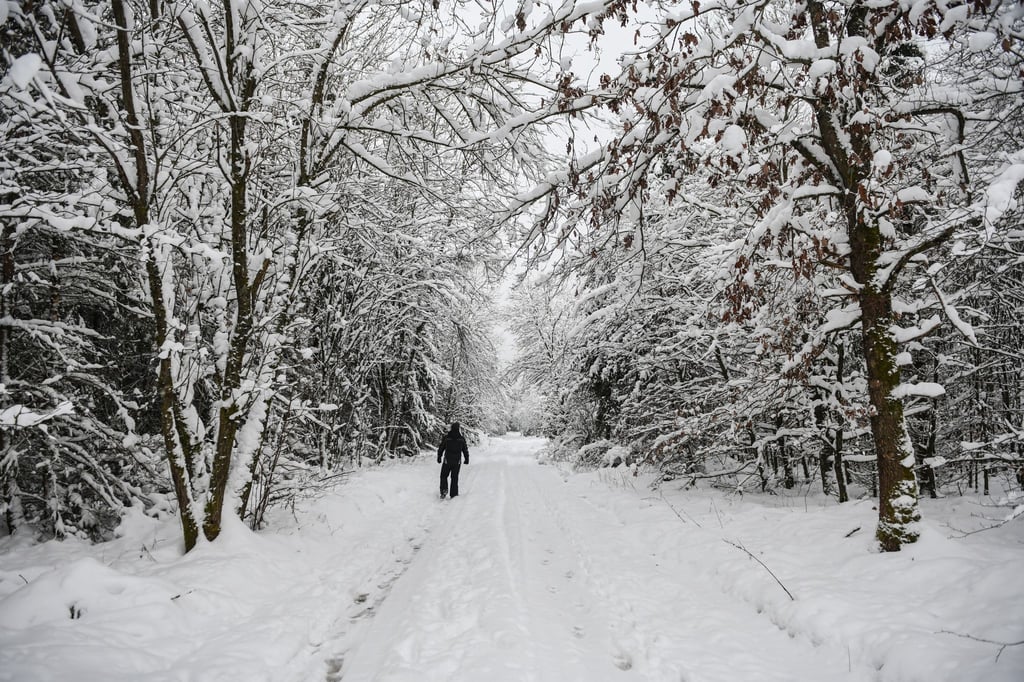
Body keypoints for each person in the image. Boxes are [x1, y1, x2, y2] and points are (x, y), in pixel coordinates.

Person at [437, 422, 469, 499]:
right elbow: (465, 449)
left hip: (447, 460)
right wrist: (466, 458)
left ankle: (444, 490)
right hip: (457, 461)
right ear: (458, 429)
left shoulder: (447, 437)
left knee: (444, 475)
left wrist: (439, 456)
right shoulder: (461, 439)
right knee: (454, 477)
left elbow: (441, 447)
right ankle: (454, 494)